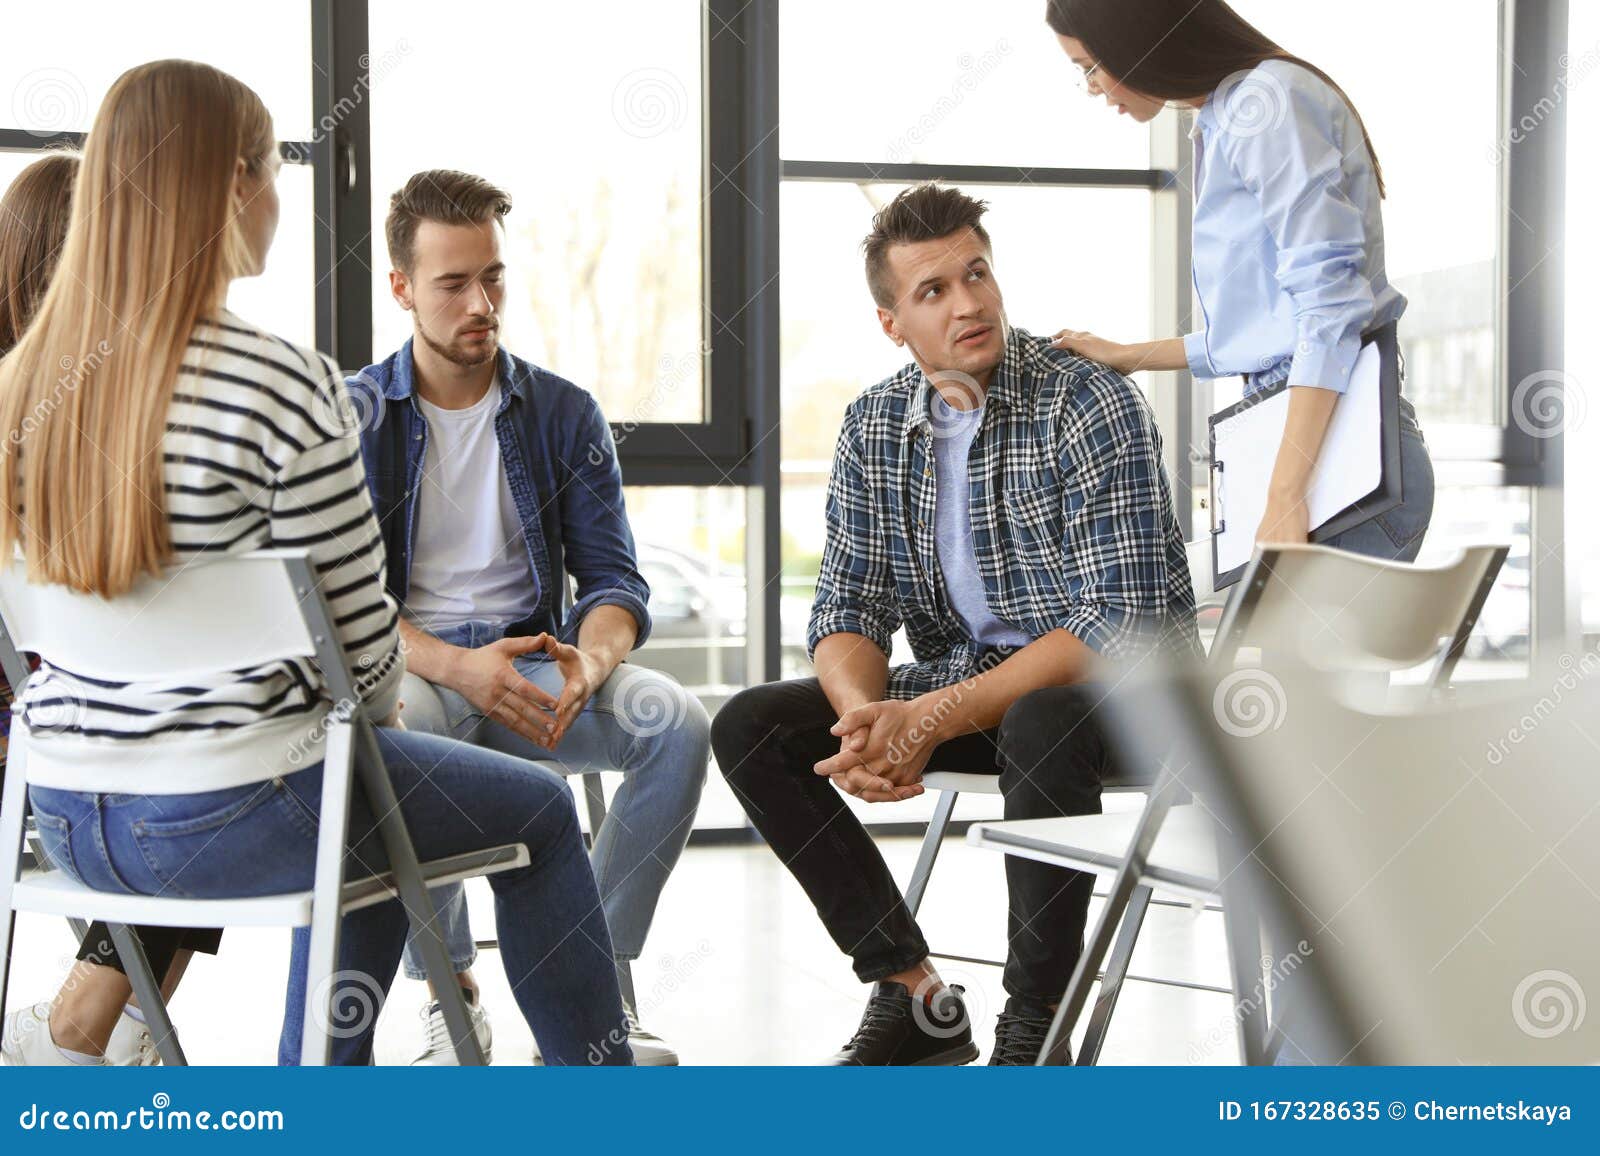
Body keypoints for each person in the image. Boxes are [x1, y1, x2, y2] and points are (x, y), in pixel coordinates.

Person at [0, 59, 631, 1067]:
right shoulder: (283, 384)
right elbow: (368, 668)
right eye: (272, 173)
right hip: (236, 819)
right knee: (511, 807)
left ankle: (323, 1082)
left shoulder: (19, 386)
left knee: (368, 791)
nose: (277, 199)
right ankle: (601, 1102)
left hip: (71, 820)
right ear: (235, 189)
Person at [710, 184, 1197, 1066]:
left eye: (977, 274)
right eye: (933, 291)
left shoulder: (1089, 402)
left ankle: (1033, 1032)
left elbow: (1115, 623)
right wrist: (867, 723)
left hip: (1129, 703)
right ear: (892, 322)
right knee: (751, 725)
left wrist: (926, 722)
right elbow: (848, 605)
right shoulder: (873, 426)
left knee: (1044, 717)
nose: (969, 302)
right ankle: (914, 997)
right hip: (976, 699)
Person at [346, 169, 708, 1065]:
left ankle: (590, 991)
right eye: (453, 283)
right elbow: (341, 601)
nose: (482, 302)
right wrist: (456, 665)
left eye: (494, 277)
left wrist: (592, 661)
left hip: (537, 664)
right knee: (395, 744)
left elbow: (616, 583)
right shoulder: (353, 416)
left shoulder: (561, 411)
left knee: (678, 724)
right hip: (420, 672)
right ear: (401, 289)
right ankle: (454, 988)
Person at [1046, 0, 1434, 560]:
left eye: (1089, 66)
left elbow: (1330, 309)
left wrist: (1284, 496)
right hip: (1312, 454)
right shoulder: (1224, 113)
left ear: (1134, 37)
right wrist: (1129, 355)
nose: (1090, 87)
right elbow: (1267, 334)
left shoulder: (1264, 103)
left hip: (1341, 468)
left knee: (1271, 648)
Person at [0, 150, 222, 1068]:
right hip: (72, 730)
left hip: (51, 725)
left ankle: (111, 1027)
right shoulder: (131, 407)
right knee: (224, 756)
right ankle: (100, 1026)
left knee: (209, 748)